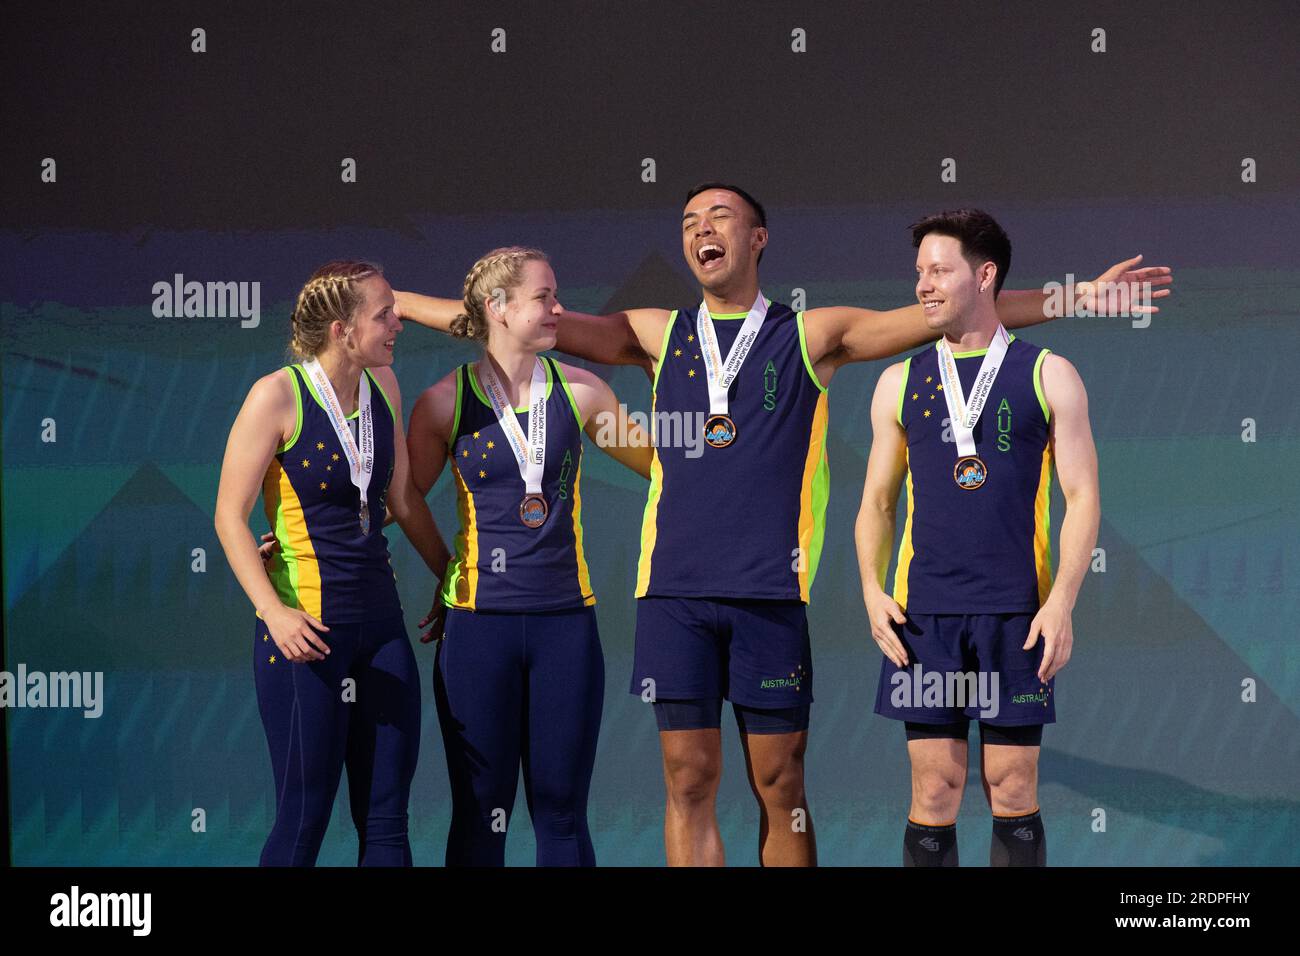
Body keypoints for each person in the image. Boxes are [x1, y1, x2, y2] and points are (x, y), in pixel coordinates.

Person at [394, 183, 1170, 866]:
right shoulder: (657, 333)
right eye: (690, 217)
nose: (702, 226)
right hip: (673, 598)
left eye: (721, 215)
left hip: (769, 595)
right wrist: (394, 305)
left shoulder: (809, 335)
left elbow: (947, 312)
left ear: (756, 238)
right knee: (689, 782)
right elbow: (523, 323)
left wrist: (1073, 299)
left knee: (780, 785)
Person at [855, 209, 1101, 866]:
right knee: (934, 789)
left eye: (939, 270)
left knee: (1012, 786)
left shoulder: (1050, 374)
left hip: (1016, 615)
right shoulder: (898, 382)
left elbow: (1081, 497)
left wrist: (1063, 603)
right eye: (919, 273)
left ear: (984, 274)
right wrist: (871, 590)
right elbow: (876, 502)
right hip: (925, 617)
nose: (923, 285)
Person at [405, 246, 652, 866]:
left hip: (565, 628)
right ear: (500, 307)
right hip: (475, 633)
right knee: (481, 813)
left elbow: (667, 470)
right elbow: (397, 500)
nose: (559, 309)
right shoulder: (442, 403)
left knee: (561, 814)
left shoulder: (584, 393)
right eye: (545, 297)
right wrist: (446, 571)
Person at [215, 260, 450, 866]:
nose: (399, 323)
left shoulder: (385, 387)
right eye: (384, 314)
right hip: (306, 635)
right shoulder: (276, 395)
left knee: (387, 821)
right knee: (304, 818)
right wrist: (274, 614)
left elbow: (399, 498)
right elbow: (228, 517)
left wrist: (452, 573)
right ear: (343, 330)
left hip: (381, 629)